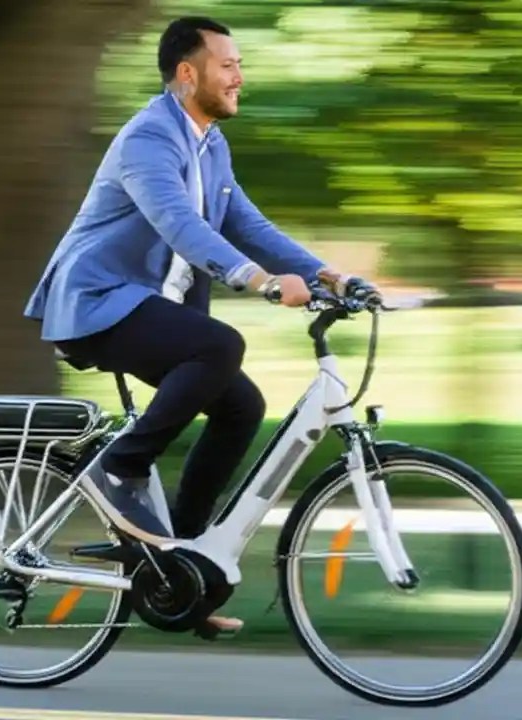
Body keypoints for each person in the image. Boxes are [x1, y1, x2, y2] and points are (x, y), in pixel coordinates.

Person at [24, 16, 373, 633]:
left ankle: (177, 569)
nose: (240, 76)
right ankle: (118, 468)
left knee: (242, 406)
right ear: (188, 75)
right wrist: (260, 281)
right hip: (96, 302)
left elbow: (249, 226)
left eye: (240, 64)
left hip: (142, 307)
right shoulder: (149, 139)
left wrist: (329, 276)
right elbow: (180, 225)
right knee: (221, 345)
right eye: (227, 65)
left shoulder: (210, 144)